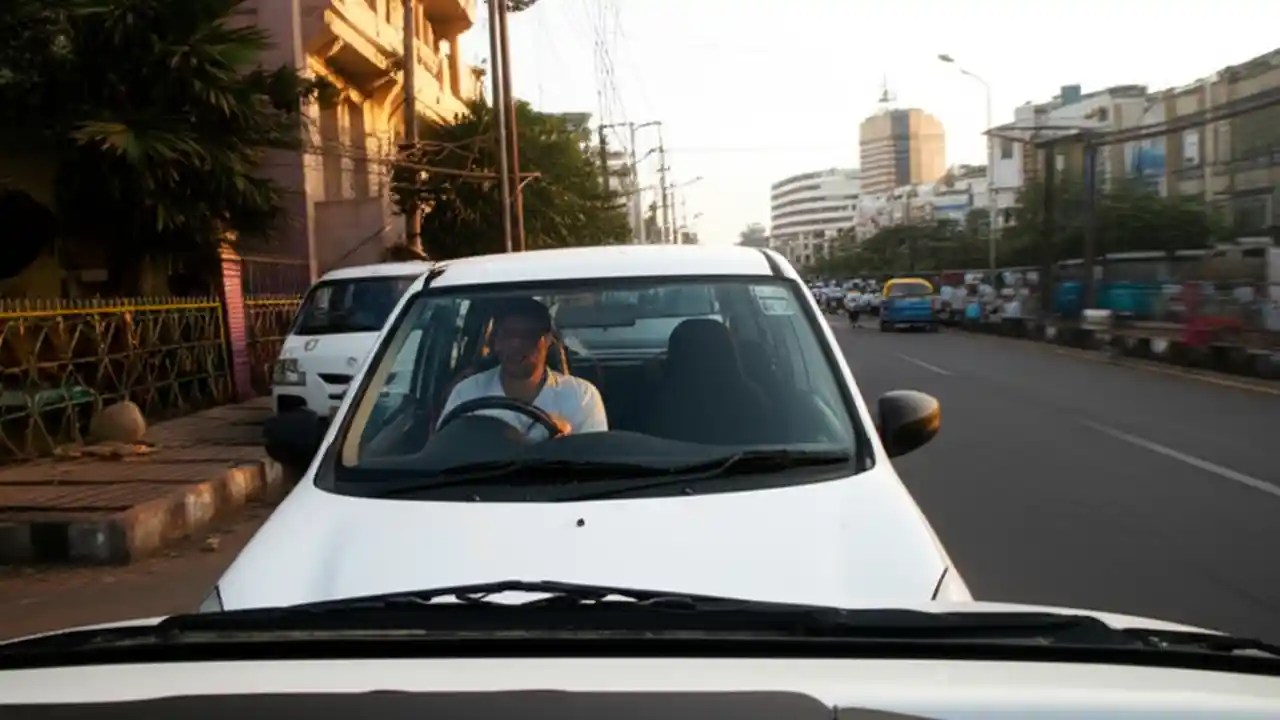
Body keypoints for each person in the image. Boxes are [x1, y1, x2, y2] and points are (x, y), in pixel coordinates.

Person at [438, 297, 608, 439]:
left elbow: (595, 463)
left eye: (528, 335)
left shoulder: (581, 397)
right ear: (495, 341)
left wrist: (565, 445)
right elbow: (446, 453)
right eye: (507, 334)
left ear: (548, 340)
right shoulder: (467, 393)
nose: (516, 344)